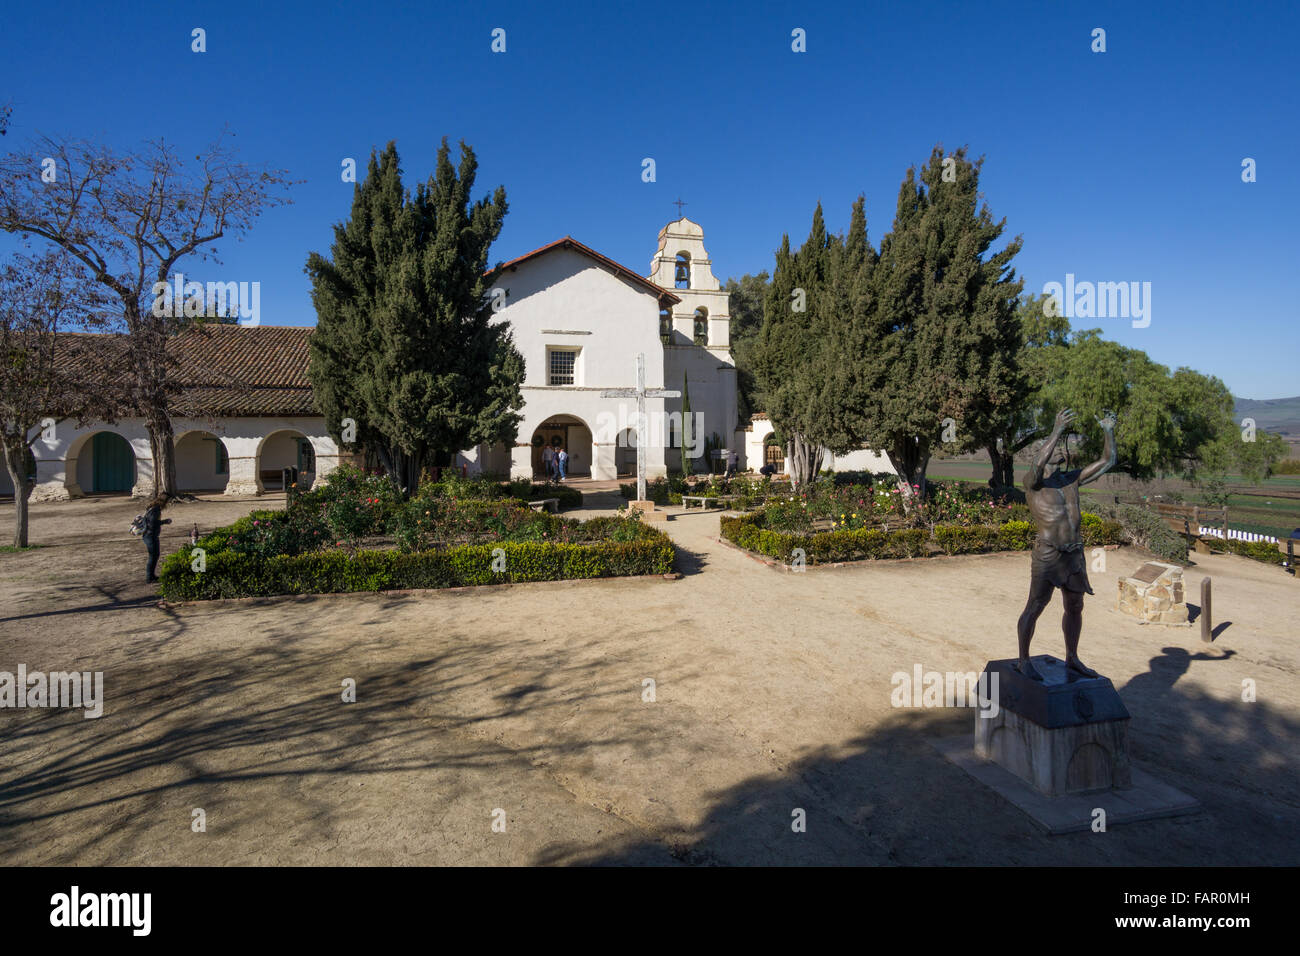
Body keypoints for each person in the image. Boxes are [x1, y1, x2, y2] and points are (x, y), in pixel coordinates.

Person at [1017, 408, 1117, 681]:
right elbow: (1038, 465)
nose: (1059, 452)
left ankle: (1072, 657)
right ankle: (1024, 660)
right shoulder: (1033, 484)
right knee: (1036, 605)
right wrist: (1057, 429)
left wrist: (1108, 430)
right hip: (1048, 554)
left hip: (1073, 556)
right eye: (1051, 450)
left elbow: (1108, 461)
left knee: (1075, 606)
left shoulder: (1071, 480)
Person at [142, 494, 172, 584]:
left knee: (155, 555)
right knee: (153, 556)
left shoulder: (152, 507)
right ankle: (149, 577)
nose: (169, 504)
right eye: (168, 501)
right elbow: (153, 523)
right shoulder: (156, 509)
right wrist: (165, 521)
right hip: (150, 535)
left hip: (149, 535)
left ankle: (151, 575)